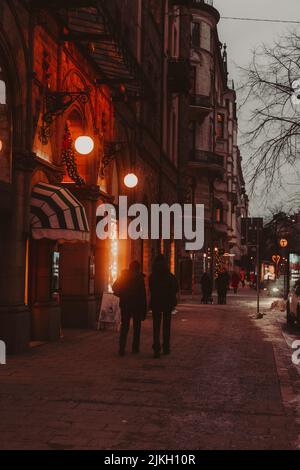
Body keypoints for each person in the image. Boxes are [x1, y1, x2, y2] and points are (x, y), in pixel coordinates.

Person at [112, 261, 147, 356]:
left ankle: (121, 348)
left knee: (125, 326)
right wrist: (144, 309)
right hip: (137, 305)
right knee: (137, 327)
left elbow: (114, 287)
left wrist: (121, 294)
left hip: (125, 303)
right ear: (138, 268)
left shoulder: (123, 276)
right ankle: (135, 348)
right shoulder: (140, 278)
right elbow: (142, 295)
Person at [149, 255, 179, 358]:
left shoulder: (152, 276)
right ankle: (166, 347)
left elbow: (151, 288)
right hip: (167, 303)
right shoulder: (170, 276)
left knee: (156, 327)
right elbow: (176, 288)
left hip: (156, 302)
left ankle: (156, 348)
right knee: (167, 326)